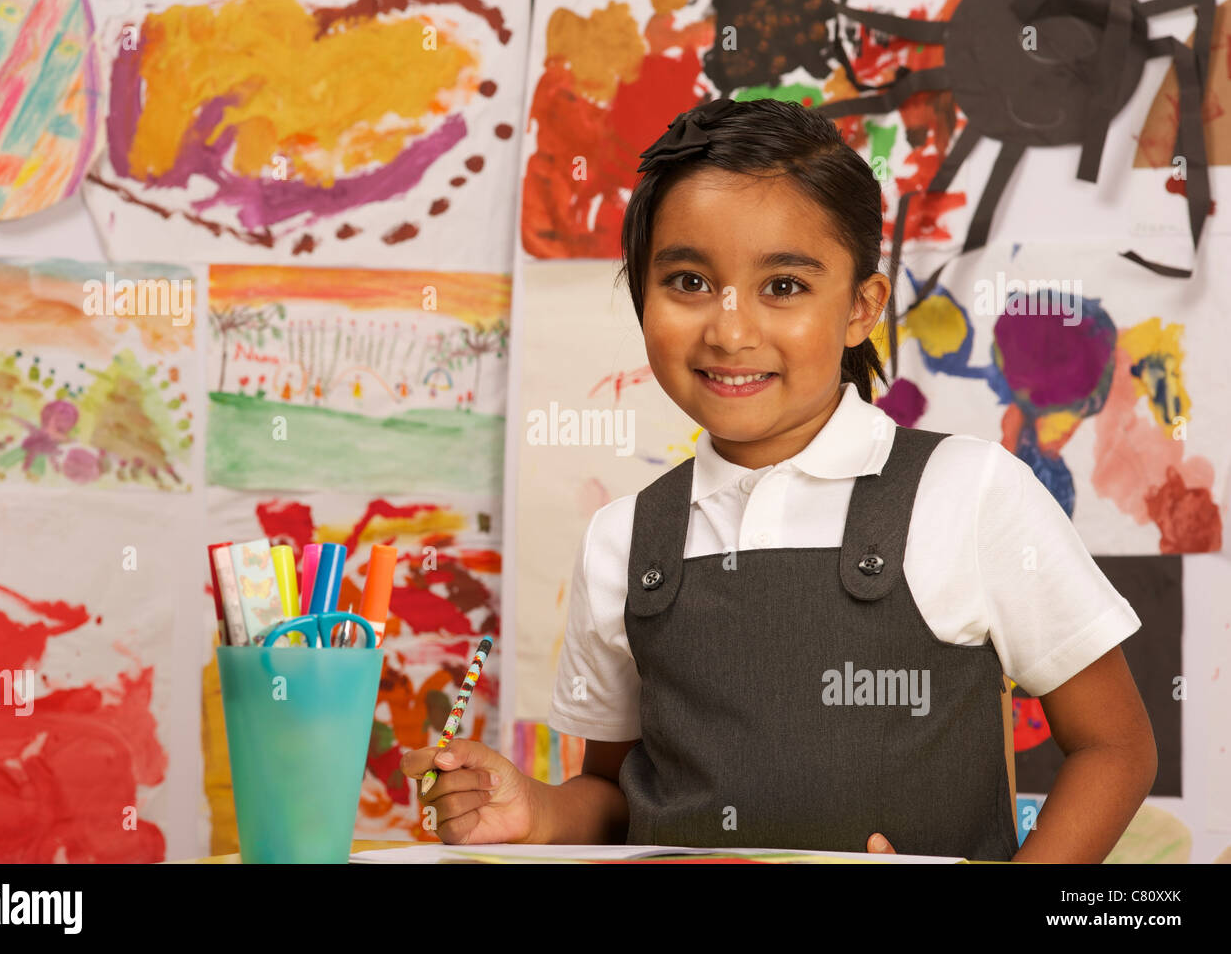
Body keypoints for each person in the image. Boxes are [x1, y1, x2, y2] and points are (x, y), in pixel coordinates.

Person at [400, 97, 1157, 861]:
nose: (730, 329)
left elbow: (1116, 748)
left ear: (861, 306)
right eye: (689, 281)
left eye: (785, 286)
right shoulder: (622, 539)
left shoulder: (970, 491)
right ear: (641, 294)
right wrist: (530, 808)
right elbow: (614, 796)